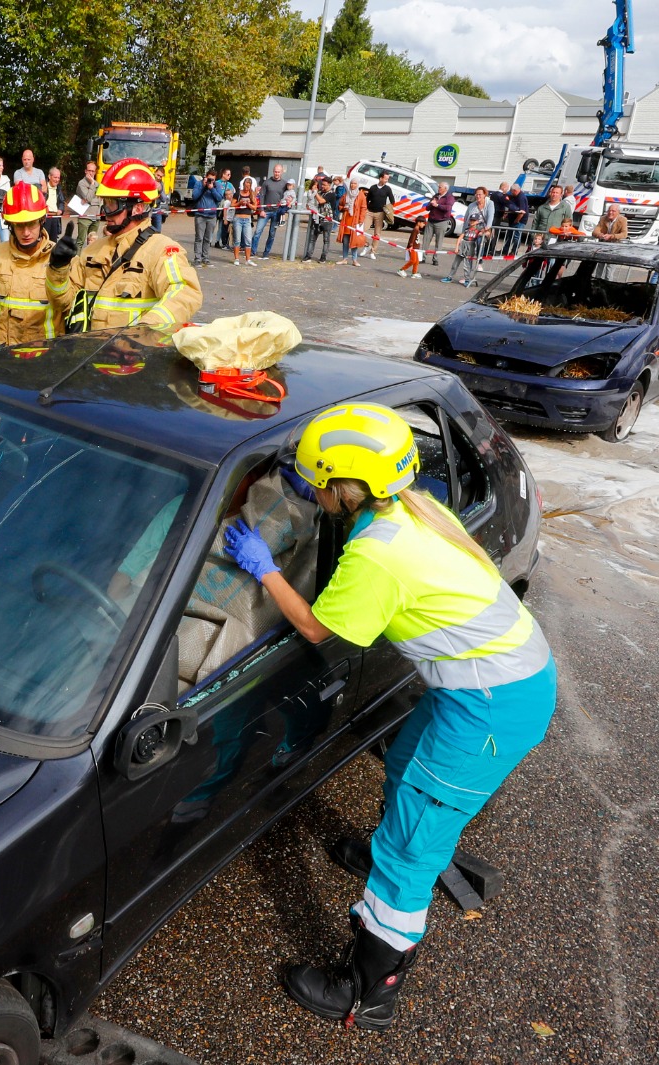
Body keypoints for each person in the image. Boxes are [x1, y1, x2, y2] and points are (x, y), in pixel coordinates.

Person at [223, 403, 555, 1032]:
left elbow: (320, 629)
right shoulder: (409, 507)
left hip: (491, 708)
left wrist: (266, 571)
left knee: (412, 849)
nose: (310, 488)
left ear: (346, 487)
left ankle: (369, 991)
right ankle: (384, 857)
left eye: (317, 480)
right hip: (497, 683)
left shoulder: (377, 555)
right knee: (403, 762)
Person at [46, 157, 202, 333]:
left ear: (138, 208)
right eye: (105, 203)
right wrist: (58, 269)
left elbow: (186, 293)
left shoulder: (161, 251)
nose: (106, 212)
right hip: (89, 355)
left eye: (112, 205)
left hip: (131, 357)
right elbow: (63, 303)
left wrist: (145, 332)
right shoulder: (93, 251)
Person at [0, 182, 57, 345]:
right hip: (2, 355)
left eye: (31, 224)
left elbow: (67, 308)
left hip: (46, 355)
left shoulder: (58, 258)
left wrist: (61, 269)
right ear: (9, 224)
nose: (26, 233)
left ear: (42, 220)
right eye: (19, 225)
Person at [443, 185, 492, 286]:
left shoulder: (490, 204)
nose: (478, 196)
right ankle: (450, 276)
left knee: (467, 264)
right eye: (476, 194)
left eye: (480, 194)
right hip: (463, 246)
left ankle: (477, 265)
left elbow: (489, 222)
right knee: (455, 263)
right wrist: (457, 246)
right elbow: (462, 231)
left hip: (473, 243)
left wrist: (486, 230)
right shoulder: (471, 210)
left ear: (484, 195)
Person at [253, 164, 292, 260]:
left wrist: (289, 202)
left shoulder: (285, 184)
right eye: (275, 171)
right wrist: (261, 210)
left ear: (281, 172)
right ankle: (252, 252)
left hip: (277, 212)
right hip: (265, 211)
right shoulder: (266, 182)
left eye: (278, 172)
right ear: (273, 171)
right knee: (257, 232)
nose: (277, 173)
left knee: (272, 234)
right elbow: (261, 196)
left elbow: (289, 195)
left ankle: (266, 254)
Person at [186, 169, 222, 268]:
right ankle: (197, 259)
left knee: (208, 239)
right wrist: (203, 186)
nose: (211, 181)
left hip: (212, 216)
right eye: (209, 179)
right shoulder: (199, 184)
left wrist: (212, 188)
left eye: (213, 179)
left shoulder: (217, 185)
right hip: (200, 215)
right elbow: (194, 196)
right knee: (199, 238)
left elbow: (219, 197)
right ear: (206, 177)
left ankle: (205, 258)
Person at [303, 174, 336, 263]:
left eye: (325, 185)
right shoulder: (321, 192)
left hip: (327, 220)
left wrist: (315, 192)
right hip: (317, 218)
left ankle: (323, 257)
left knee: (326, 240)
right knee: (312, 238)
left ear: (329, 185)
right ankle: (308, 256)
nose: (322, 186)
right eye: (322, 184)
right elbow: (313, 201)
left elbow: (321, 201)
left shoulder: (331, 194)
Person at [362, 172, 395, 260]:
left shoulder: (387, 189)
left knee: (377, 233)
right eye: (385, 179)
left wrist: (387, 210)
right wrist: (365, 209)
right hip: (369, 212)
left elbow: (392, 201)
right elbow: (367, 199)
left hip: (380, 213)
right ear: (380, 178)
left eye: (387, 179)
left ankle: (373, 251)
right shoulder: (373, 188)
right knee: (362, 230)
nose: (386, 181)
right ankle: (366, 245)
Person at [422, 182, 455, 266]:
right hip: (431, 221)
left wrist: (437, 205)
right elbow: (427, 208)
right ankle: (423, 257)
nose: (438, 188)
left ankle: (435, 259)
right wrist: (431, 204)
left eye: (440, 187)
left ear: (445, 189)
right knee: (426, 240)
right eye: (438, 187)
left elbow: (448, 208)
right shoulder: (435, 196)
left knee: (438, 241)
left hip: (442, 221)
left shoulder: (449, 197)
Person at [337, 180, 368, 266]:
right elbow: (340, 205)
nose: (352, 185)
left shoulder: (361, 195)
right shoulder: (346, 194)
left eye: (354, 183)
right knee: (345, 240)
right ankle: (344, 258)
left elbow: (363, 208)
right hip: (346, 220)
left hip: (356, 220)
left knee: (355, 241)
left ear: (357, 185)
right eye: (351, 183)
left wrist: (361, 219)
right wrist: (343, 208)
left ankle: (355, 260)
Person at [72, 160, 101, 246]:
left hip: (96, 216)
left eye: (93, 171)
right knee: (81, 241)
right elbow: (88, 198)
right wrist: (92, 184)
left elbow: (100, 200)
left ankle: (89, 258)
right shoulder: (81, 183)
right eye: (89, 170)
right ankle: (76, 259)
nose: (91, 173)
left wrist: (91, 199)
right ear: (85, 171)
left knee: (93, 242)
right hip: (85, 216)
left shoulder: (98, 184)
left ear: (95, 172)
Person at [232, 173, 258, 266]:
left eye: (249, 186)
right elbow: (232, 204)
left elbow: (255, 207)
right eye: (246, 186)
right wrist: (239, 203)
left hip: (247, 219)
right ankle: (236, 259)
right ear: (243, 185)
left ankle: (248, 259)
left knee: (248, 240)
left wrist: (248, 204)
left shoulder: (252, 194)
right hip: (238, 218)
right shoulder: (238, 193)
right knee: (237, 239)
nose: (247, 188)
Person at [397, 215, 426, 279]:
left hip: (416, 248)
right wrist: (411, 246)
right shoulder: (415, 229)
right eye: (423, 223)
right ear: (419, 222)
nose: (424, 225)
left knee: (417, 261)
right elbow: (412, 238)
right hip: (412, 248)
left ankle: (414, 273)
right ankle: (401, 270)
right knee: (413, 260)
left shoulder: (417, 229)